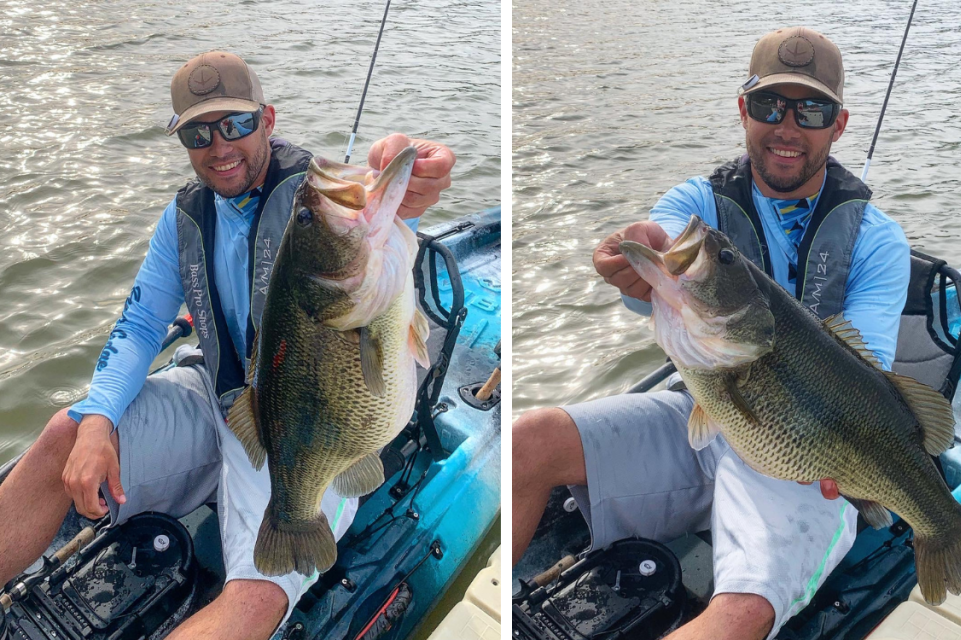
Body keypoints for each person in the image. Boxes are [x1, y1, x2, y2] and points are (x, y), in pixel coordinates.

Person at [0, 51, 456, 640]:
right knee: (67, 430)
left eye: (236, 125)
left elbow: (393, 214)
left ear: (268, 120)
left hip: (305, 423)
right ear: (184, 141)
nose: (220, 146)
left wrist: (413, 178)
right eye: (198, 132)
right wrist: (96, 422)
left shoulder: (321, 203)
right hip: (216, 393)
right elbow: (140, 327)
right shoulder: (183, 217)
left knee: (256, 598)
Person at [512, 27, 910, 640]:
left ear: (840, 124)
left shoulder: (878, 242)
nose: (787, 127)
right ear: (742, 110)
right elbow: (662, 238)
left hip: (808, 454)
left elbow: (867, 383)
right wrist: (636, 256)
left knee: (741, 613)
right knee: (527, 442)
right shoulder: (699, 203)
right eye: (768, 105)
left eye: (811, 110)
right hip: (706, 411)